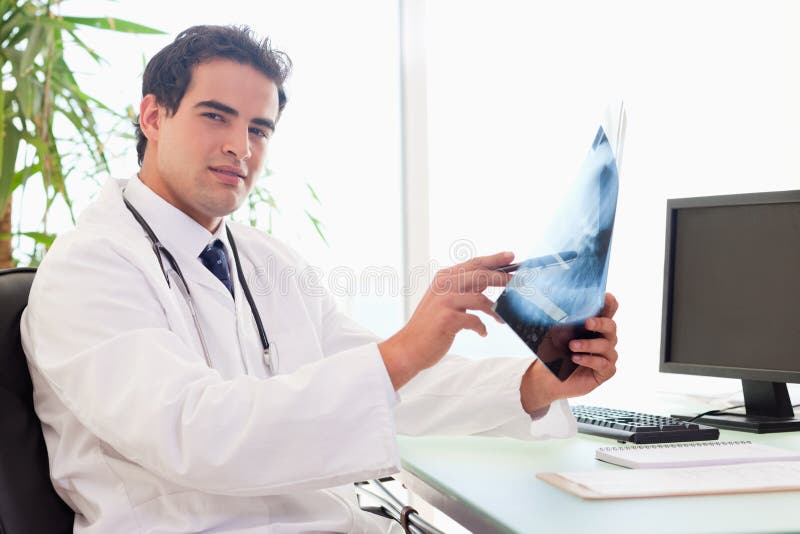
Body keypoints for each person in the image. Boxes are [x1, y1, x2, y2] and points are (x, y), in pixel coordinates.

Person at [21, 25, 619, 533]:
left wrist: (539, 383)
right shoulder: (87, 270)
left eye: (259, 128)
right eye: (216, 117)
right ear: (153, 115)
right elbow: (196, 435)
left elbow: (380, 387)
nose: (240, 147)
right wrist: (404, 350)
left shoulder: (264, 260)